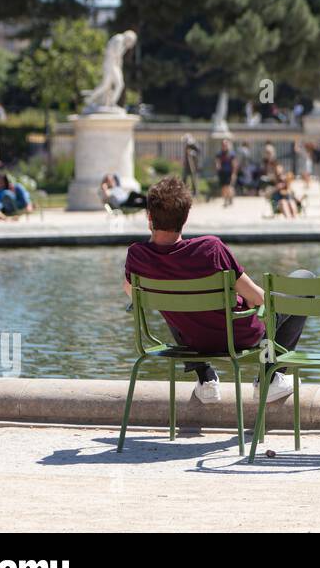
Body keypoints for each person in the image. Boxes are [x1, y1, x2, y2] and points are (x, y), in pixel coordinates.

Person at [123, 177, 305, 404]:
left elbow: (133, 294)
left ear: (148, 216)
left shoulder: (137, 256)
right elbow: (259, 299)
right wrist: (247, 299)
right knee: (303, 281)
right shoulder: (210, 248)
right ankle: (271, 377)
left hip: (193, 343)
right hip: (240, 335)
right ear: (186, 217)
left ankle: (206, 379)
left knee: (171, 302)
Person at [215, 139, 238, 207]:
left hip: (229, 172)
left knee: (229, 187)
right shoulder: (219, 154)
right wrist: (217, 167)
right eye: (223, 145)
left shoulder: (231, 154)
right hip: (222, 173)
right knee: (223, 187)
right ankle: (225, 199)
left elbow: (234, 164)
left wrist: (234, 174)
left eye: (225, 145)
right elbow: (217, 162)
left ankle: (229, 198)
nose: (224, 146)